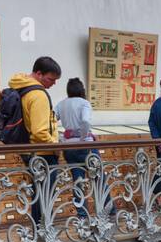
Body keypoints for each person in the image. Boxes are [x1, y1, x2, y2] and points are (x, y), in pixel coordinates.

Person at [8, 56, 61, 227]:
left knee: (38, 196)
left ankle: (40, 233)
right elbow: (39, 132)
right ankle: (44, 233)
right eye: (50, 79)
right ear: (39, 73)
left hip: (29, 152)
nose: (53, 83)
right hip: (43, 154)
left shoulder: (23, 88)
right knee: (45, 197)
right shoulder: (38, 95)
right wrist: (56, 146)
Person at [55, 77, 98, 218]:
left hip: (69, 148)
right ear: (81, 90)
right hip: (86, 146)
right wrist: (83, 136)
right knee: (98, 178)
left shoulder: (61, 104)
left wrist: (61, 137)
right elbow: (85, 121)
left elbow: (50, 120)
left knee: (77, 180)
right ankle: (108, 211)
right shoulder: (84, 103)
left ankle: (82, 214)